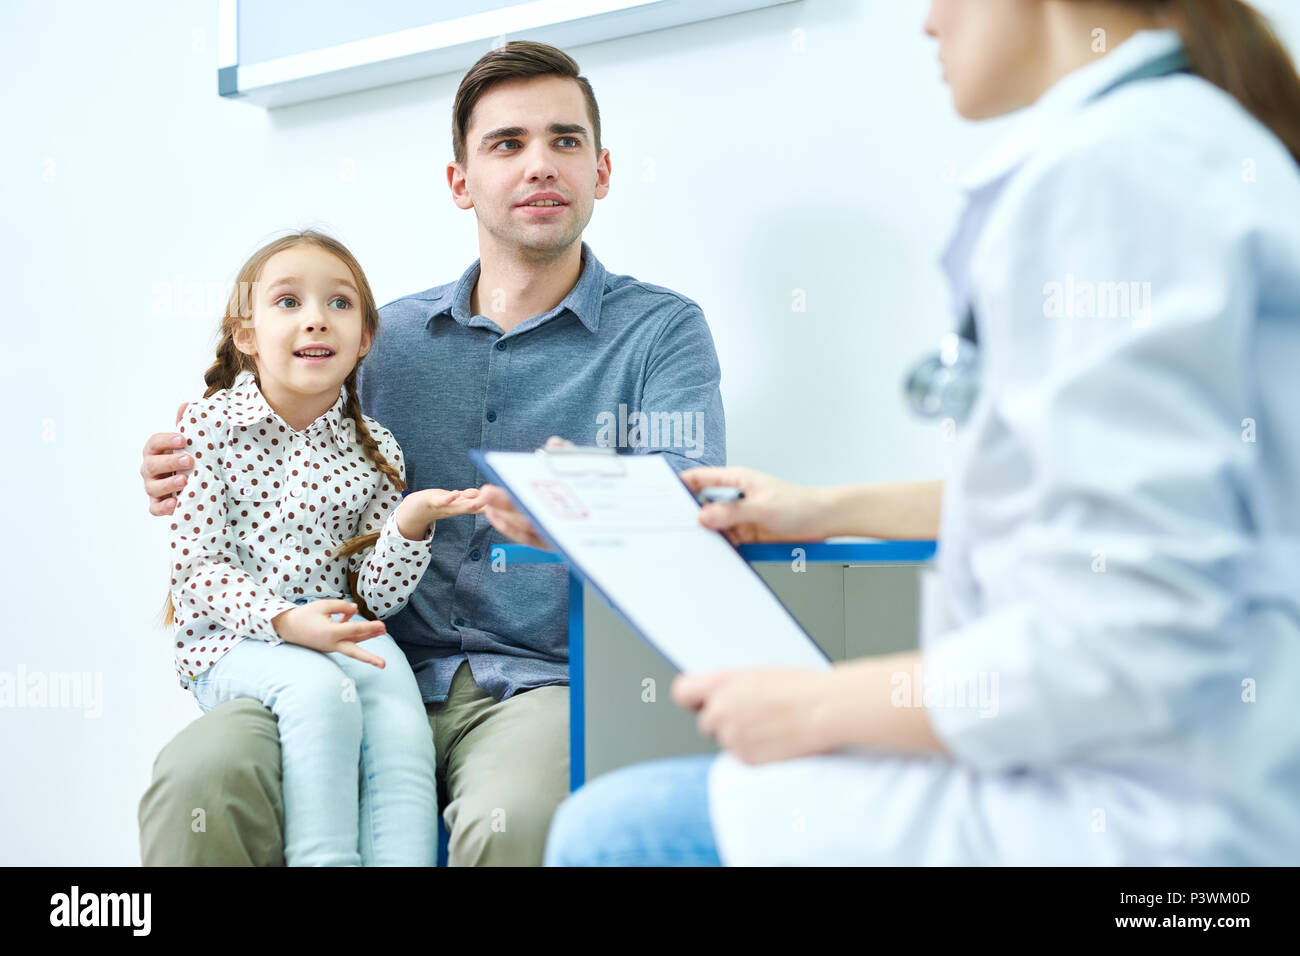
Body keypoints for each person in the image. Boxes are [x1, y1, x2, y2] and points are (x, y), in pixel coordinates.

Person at [486, 0, 1300, 865]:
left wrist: (817, 706)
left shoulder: (1113, 174)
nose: (927, 24)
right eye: (508, 143)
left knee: (618, 833)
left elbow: (1132, 630)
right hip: (1173, 773)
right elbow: (1078, 500)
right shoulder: (1180, 147)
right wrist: (823, 506)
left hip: (1148, 829)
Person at [137, 41, 725, 866]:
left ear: (602, 172)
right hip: (350, 664)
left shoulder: (662, 333)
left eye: (565, 140)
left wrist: (575, 508)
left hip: (542, 685)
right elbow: (270, 428)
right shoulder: (381, 337)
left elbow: (687, 514)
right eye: (507, 144)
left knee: (513, 821)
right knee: (199, 779)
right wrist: (178, 460)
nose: (540, 165)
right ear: (461, 182)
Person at [164, 230, 484, 865]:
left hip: (340, 632)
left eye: (339, 304)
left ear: (364, 338)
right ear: (246, 335)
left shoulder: (376, 450)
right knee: (315, 694)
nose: (316, 318)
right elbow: (197, 570)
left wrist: (410, 525)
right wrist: (285, 621)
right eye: (288, 302)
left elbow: (376, 597)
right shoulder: (207, 430)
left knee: (399, 719)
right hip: (236, 639)